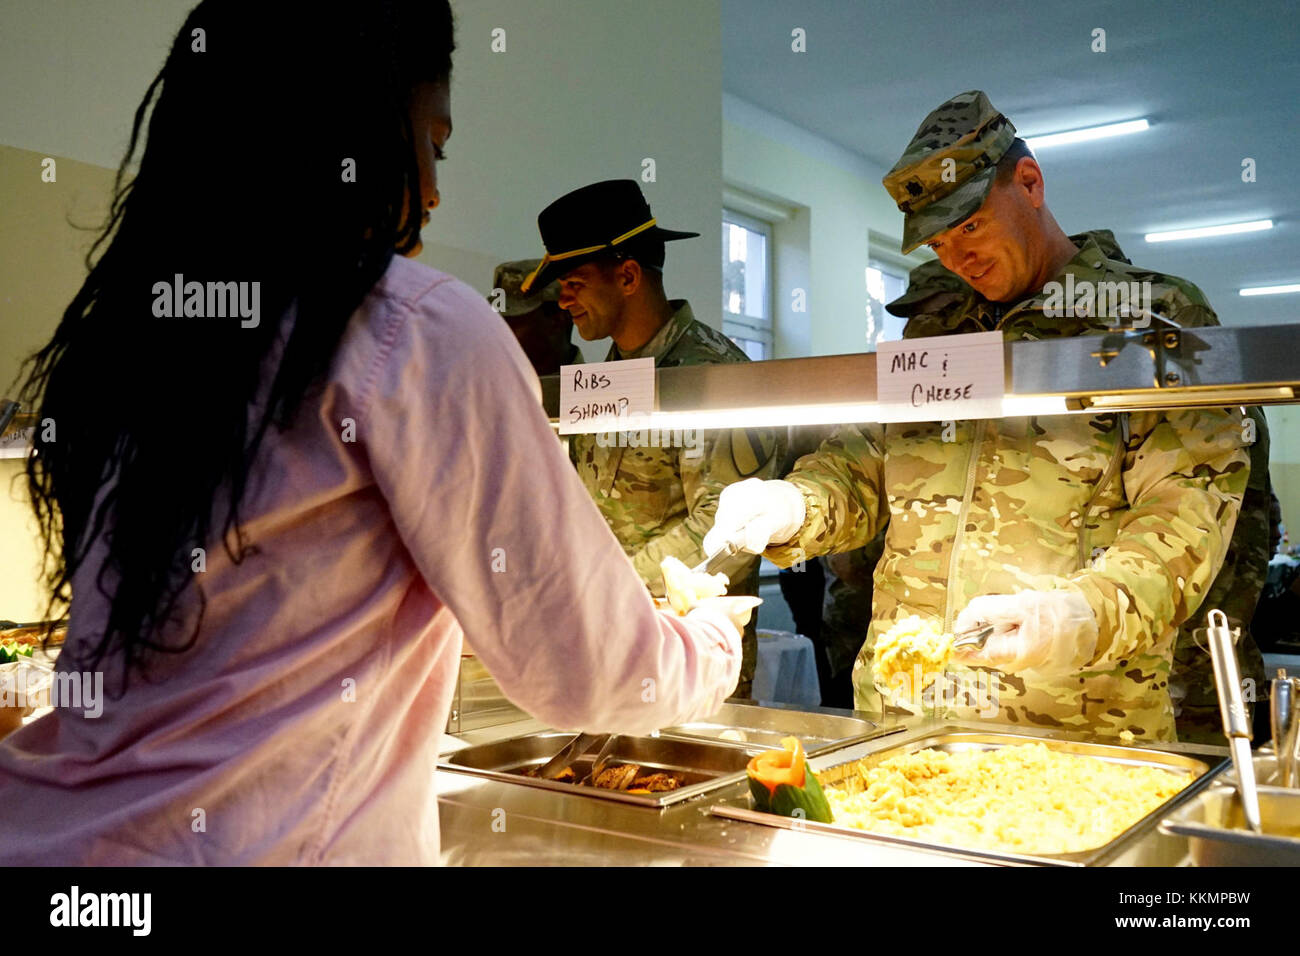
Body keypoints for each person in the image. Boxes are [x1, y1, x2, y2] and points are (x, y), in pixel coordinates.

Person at [0, 0, 754, 866]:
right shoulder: (415, 326)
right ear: (352, 134)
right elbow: (594, 671)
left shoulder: (148, 335)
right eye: (431, 144)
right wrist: (713, 638)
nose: (434, 190)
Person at [705, 91, 1250, 742]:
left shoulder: (1150, 319)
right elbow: (862, 469)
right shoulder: (935, 336)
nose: (957, 258)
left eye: (969, 227)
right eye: (938, 242)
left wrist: (1068, 616)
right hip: (903, 718)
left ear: (1029, 182)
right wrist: (795, 504)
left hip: (1071, 729)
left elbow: (1182, 527)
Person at [521, 180, 782, 698]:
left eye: (573, 282)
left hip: (689, 658)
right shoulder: (609, 375)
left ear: (628, 275)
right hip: (606, 646)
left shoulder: (711, 373)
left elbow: (724, 525)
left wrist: (609, 588)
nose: (563, 299)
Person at [488, 259, 579, 376]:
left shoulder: (597, 390)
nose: (498, 334)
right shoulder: (485, 384)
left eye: (510, 322)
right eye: (496, 323)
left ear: (558, 320)